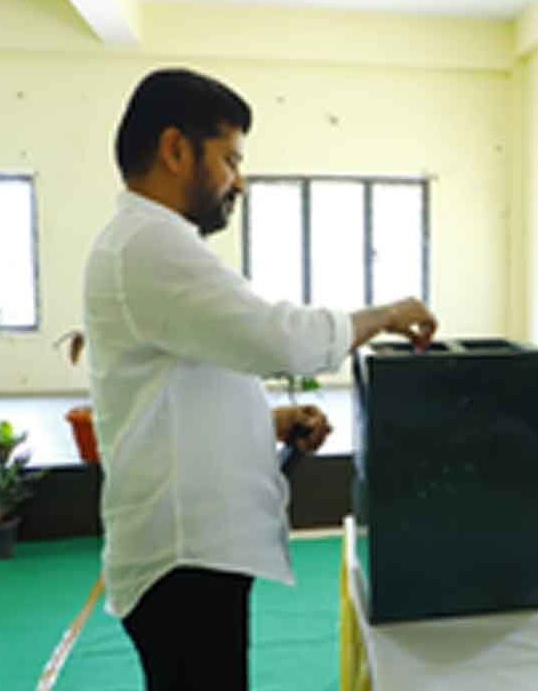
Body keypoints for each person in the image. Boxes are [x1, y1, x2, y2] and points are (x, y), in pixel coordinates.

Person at [84, 68, 438, 691]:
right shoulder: (149, 243)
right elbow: (278, 337)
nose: (237, 181)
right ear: (174, 149)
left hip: (191, 553)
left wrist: (267, 421)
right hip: (184, 559)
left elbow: (186, 379)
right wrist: (385, 315)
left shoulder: (149, 242)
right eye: (229, 159)